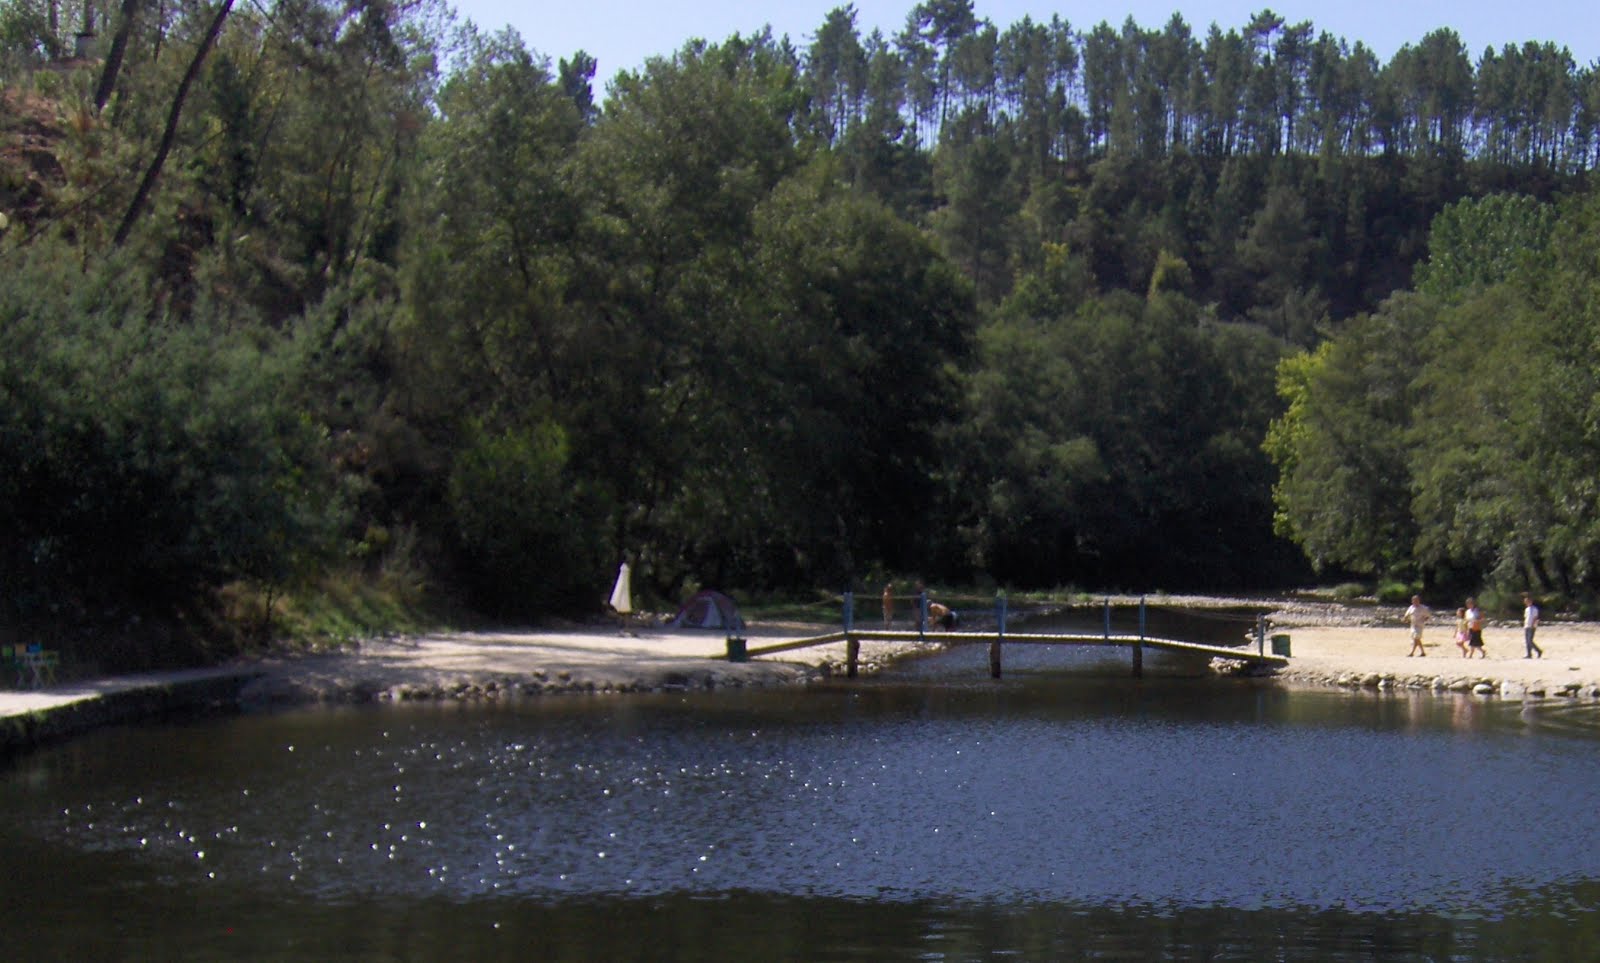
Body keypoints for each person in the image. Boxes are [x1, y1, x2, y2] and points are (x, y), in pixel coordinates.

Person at [1522, 593, 1543, 659]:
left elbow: (1535, 617)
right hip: (1526, 626)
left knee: (1530, 640)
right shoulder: (1527, 609)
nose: (1526, 602)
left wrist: (1533, 625)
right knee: (1527, 641)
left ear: (1530, 601)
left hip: (1532, 626)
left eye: (1527, 601)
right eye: (1525, 601)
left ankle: (1539, 651)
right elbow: (1526, 617)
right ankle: (1529, 654)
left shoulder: (1534, 609)